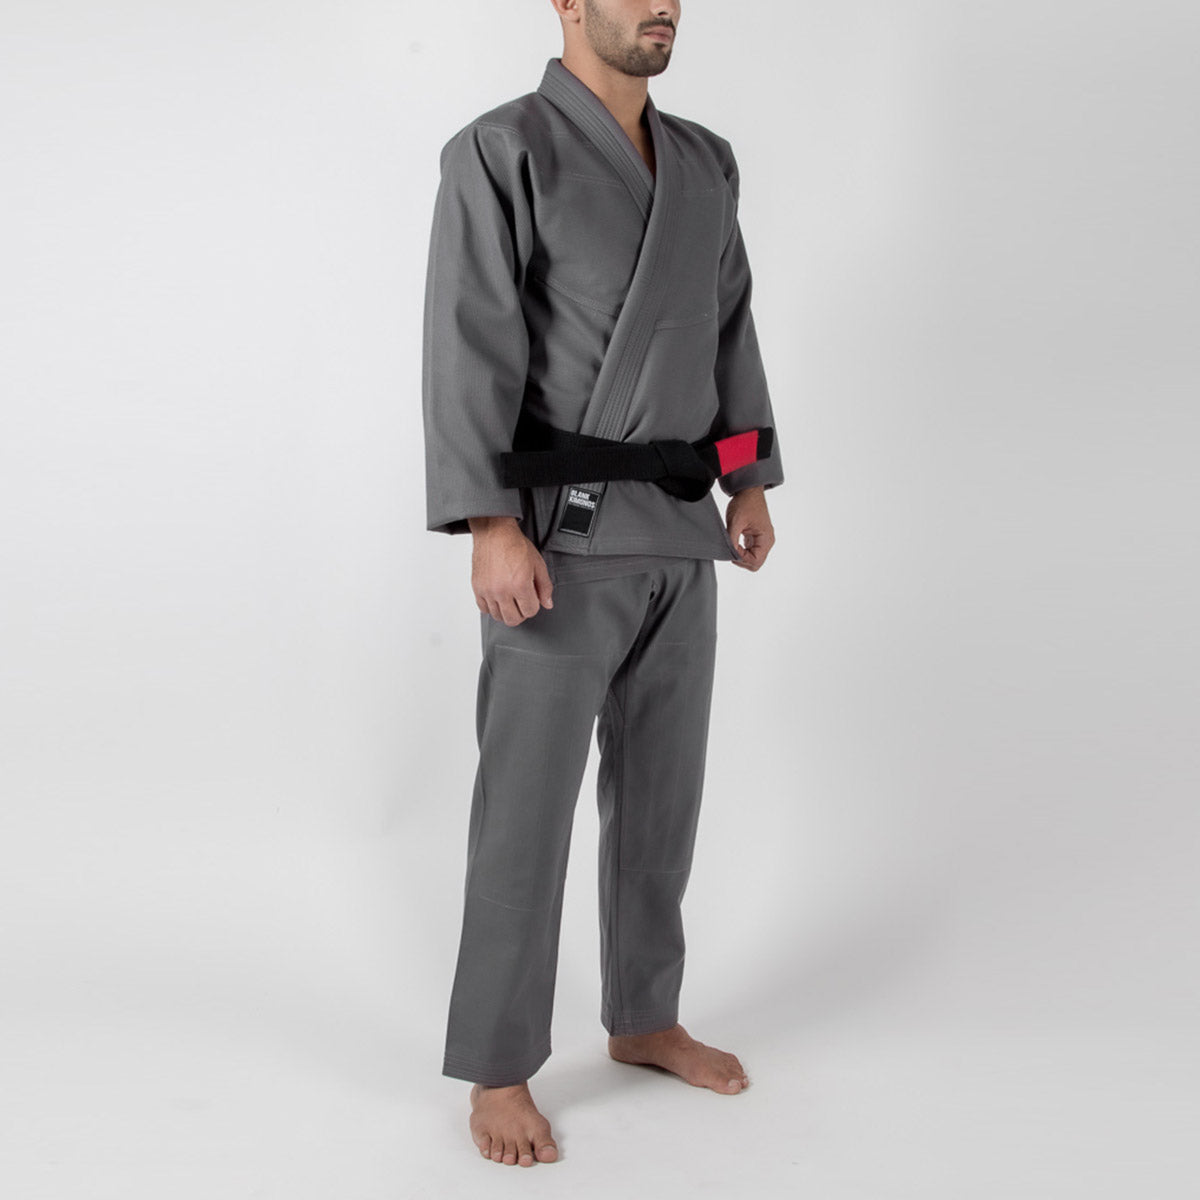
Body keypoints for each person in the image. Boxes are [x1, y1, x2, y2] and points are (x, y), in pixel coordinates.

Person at [421, 0, 784, 1168]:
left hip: (681, 530)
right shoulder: (501, 149)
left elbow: (729, 329)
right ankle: (498, 1067)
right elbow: (470, 344)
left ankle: (643, 1015)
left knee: (663, 801)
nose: (661, 5)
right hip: (558, 538)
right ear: (569, 2)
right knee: (525, 816)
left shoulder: (705, 161)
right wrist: (490, 524)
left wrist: (747, 481)